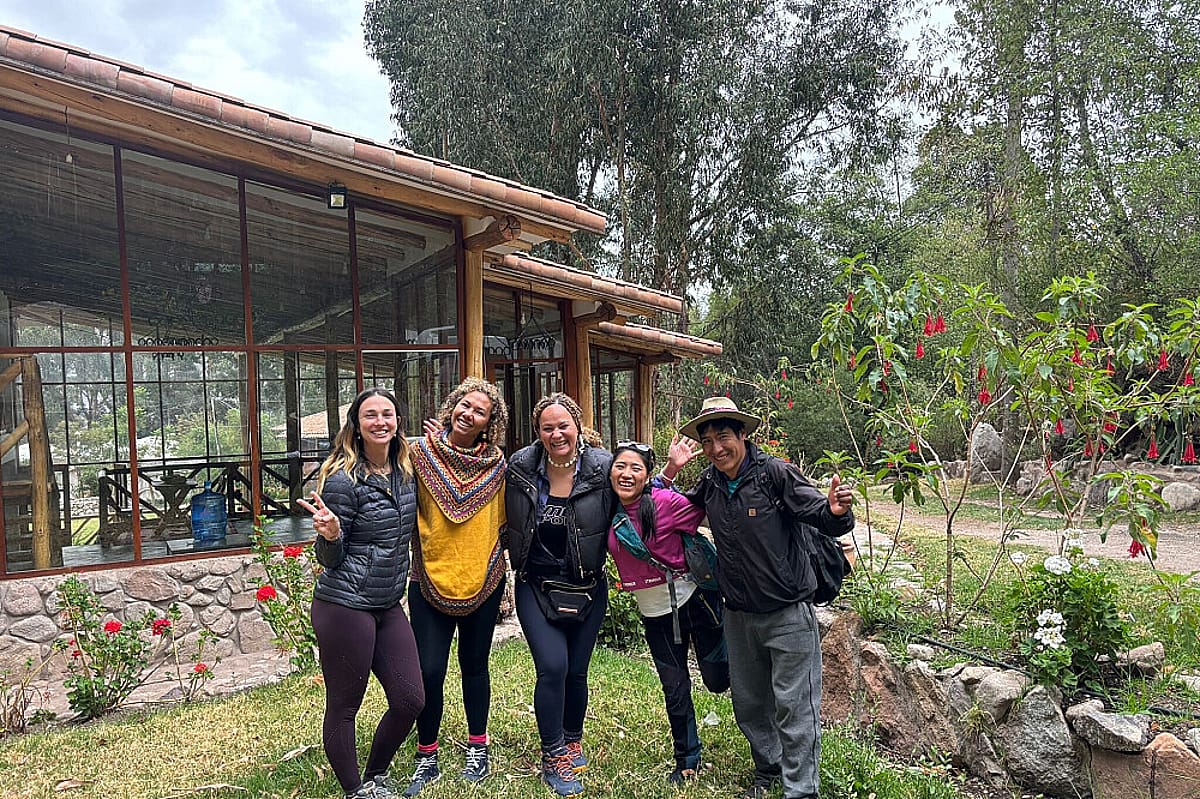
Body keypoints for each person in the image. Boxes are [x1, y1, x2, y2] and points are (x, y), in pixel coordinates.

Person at [674, 396, 855, 799]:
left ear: (742, 434)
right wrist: (667, 472)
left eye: (724, 436)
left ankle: (801, 789)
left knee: (795, 706)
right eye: (708, 441)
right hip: (738, 614)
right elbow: (676, 509)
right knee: (751, 704)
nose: (717, 448)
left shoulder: (775, 473)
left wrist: (837, 509)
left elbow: (821, 515)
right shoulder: (711, 483)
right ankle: (769, 769)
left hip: (787, 612)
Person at [297, 387, 424, 799]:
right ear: (356, 424)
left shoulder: (406, 472)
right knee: (345, 704)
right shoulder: (342, 480)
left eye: (387, 414)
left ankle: (376, 774)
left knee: (410, 699)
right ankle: (356, 791)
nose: (380, 422)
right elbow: (329, 559)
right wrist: (331, 535)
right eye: (370, 415)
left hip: (387, 603)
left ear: (398, 421)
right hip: (344, 604)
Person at [402, 378, 509, 795]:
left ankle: (477, 746)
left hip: (482, 577)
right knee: (428, 670)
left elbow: (504, 520)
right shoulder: (420, 454)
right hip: (428, 575)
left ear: (489, 422)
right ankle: (426, 753)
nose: (469, 414)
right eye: (465, 404)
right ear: (452, 406)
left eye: (480, 411)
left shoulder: (498, 465)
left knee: (474, 666)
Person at [504, 393, 614, 797]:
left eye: (563, 425)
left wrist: (669, 471)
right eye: (547, 428)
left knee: (578, 671)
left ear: (578, 426)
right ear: (538, 432)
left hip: (587, 584)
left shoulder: (601, 468)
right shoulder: (520, 466)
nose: (556, 434)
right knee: (553, 666)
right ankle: (553, 754)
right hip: (535, 582)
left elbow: (638, 496)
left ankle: (571, 737)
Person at [607, 438, 730, 785]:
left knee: (717, 680)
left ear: (647, 477)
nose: (627, 474)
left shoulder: (663, 502)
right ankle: (687, 759)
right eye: (620, 466)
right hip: (655, 615)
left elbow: (704, 509)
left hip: (696, 602)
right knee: (674, 689)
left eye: (636, 468)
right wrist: (670, 470)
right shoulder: (607, 510)